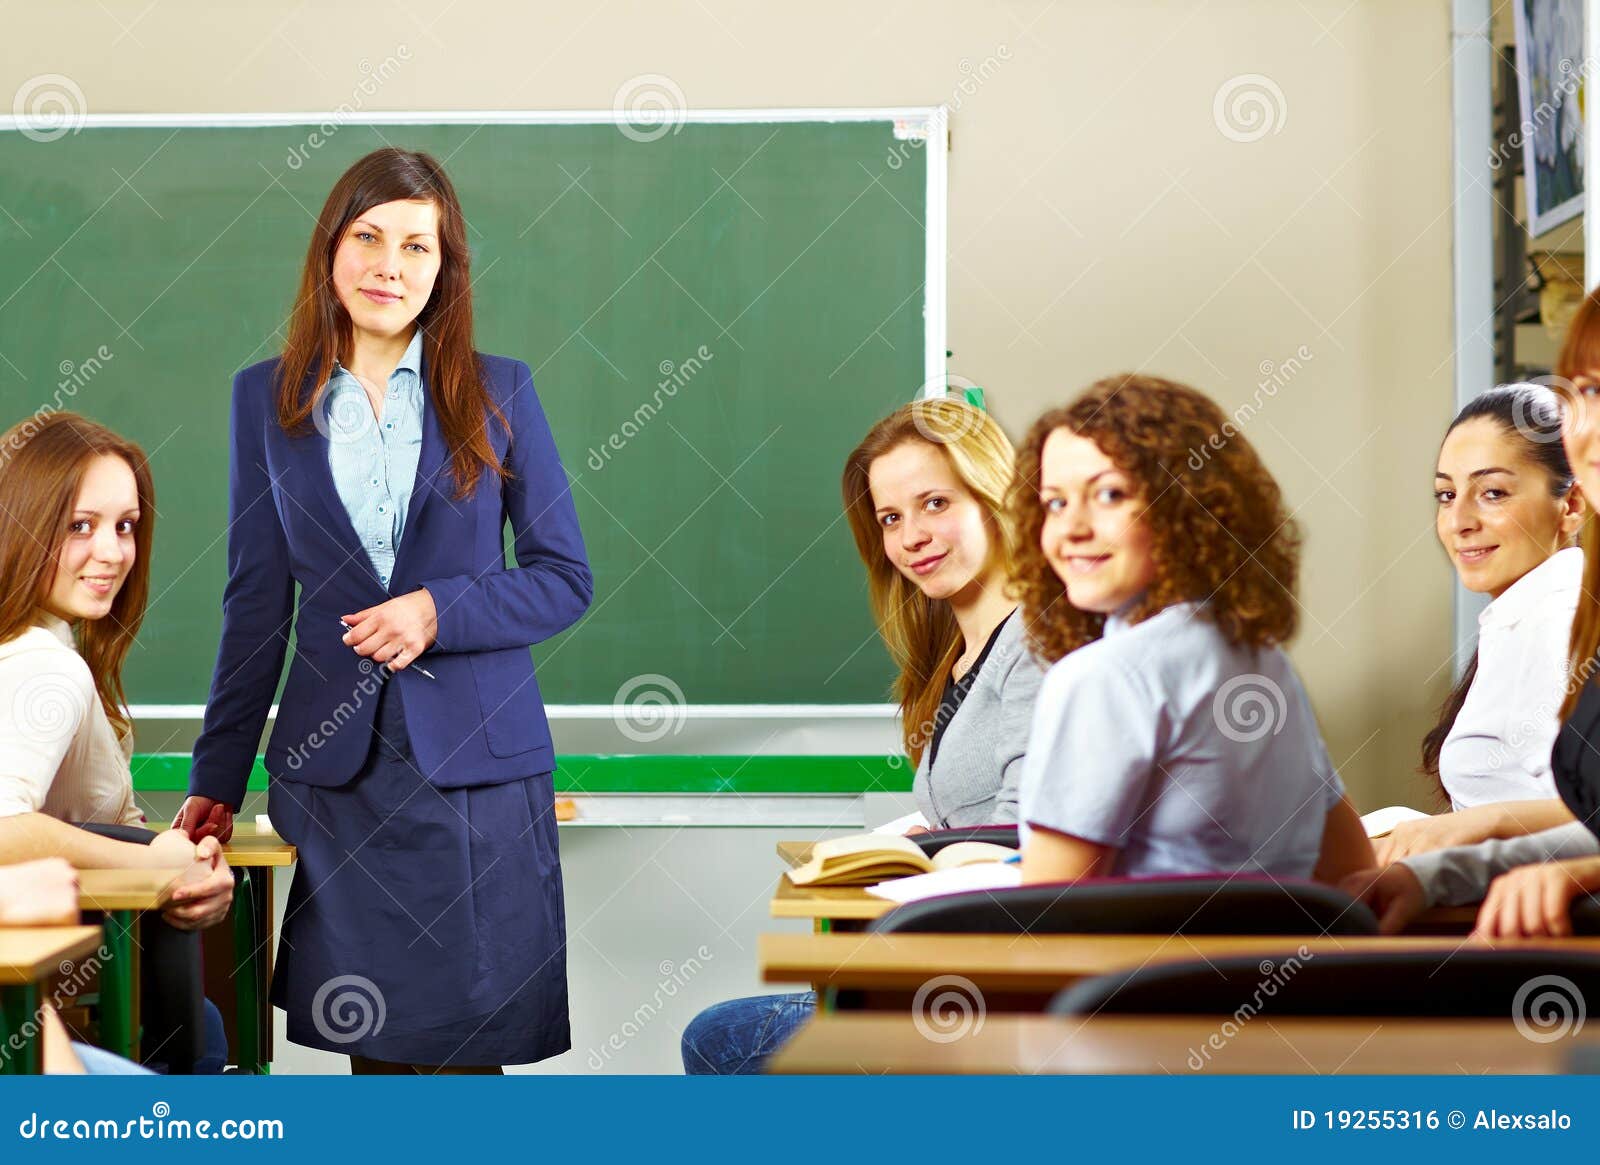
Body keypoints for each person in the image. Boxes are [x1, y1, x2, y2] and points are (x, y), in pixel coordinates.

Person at [172, 148, 592, 1074]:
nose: (389, 265)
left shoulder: (499, 389)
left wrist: (439, 611)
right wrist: (217, 777)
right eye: (367, 236)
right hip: (342, 778)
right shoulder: (265, 399)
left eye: (417, 245)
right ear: (331, 250)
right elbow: (255, 602)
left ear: (444, 270)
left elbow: (565, 576)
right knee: (379, 1064)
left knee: (470, 1061)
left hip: (476, 780)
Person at [681, 397, 1046, 1074]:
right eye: (891, 518)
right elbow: (969, 807)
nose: (911, 535)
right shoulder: (957, 661)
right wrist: (903, 840)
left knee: (718, 1038)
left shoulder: (1034, 641)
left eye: (936, 502)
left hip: (994, 983)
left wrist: (917, 866)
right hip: (951, 961)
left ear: (993, 496)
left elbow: (1024, 840)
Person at [1008, 374, 1372, 884]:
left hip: (1139, 964)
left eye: (1109, 495)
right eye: (1055, 503)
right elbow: (1351, 868)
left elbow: (1048, 912)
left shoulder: (1102, 678)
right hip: (1270, 960)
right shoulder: (1263, 660)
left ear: (1185, 506)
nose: (1072, 529)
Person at [0, 412, 234, 1073]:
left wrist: (177, 862)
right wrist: (150, 861)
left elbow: (88, 823)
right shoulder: (45, 665)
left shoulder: (49, 646)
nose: (113, 551)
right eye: (82, 525)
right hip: (58, 1005)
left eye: (125, 525)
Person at [1373, 385, 1583, 863]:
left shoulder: (1564, 620)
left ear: (1570, 505)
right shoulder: (1519, 617)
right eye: (1446, 495)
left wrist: (1481, 823)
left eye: (1492, 492)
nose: (1458, 520)